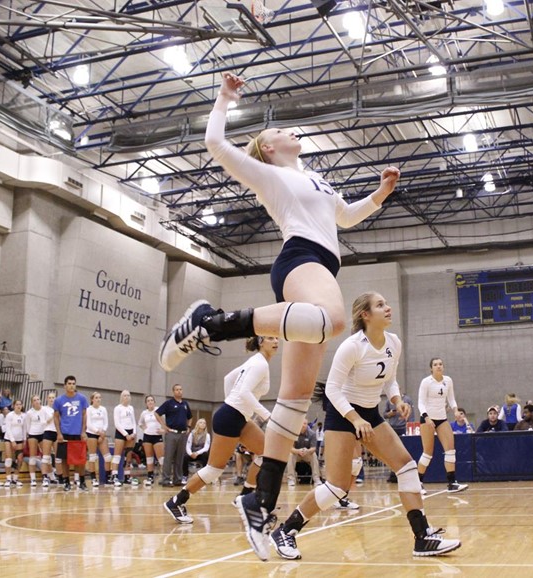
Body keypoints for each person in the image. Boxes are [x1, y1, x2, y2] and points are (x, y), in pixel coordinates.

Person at [157, 71, 399, 558]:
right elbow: (214, 142)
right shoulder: (272, 174)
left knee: (292, 401)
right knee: (333, 321)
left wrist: (379, 195)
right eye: (278, 131)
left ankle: (260, 499)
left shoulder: (316, 178)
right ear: (267, 148)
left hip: (321, 261)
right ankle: (212, 322)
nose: (289, 132)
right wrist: (226, 98)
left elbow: (345, 217)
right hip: (301, 260)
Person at [269, 292, 460, 560]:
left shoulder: (394, 342)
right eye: (380, 305)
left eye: (387, 303)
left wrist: (396, 399)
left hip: (370, 412)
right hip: (342, 413)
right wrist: (355, 419)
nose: (388, 308)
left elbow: (389, 379)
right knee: (336, 487)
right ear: (365, 315)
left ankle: (422, 537)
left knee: (406, 467)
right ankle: (286, 531)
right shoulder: (352, 346)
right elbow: (333, 390)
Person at [163, 336, 279, 527]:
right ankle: (176, 502)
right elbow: (243, 393)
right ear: (260, 342)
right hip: (231, 417)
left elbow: (229, 379)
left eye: (276, 338)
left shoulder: (256, 361)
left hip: (237, 416)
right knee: (214, 469)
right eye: (269, 338)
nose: (275, 341)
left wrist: (232, 405)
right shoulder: (260, 364)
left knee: (266, 453)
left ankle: (245, 496)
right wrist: (266, 416)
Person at [417, 357, 467, 494]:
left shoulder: (448, 380)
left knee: (450, 450)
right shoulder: (426, 382)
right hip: (427, 419)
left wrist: (456, 410)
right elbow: (420, 403)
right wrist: (426, 417)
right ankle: (418, 482)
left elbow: (451, 398)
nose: (438, 366)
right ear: (431, 368)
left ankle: (452, 483)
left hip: (442, 419)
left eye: (440, 364)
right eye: (435, 364)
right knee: (428, 453)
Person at [53, 376, 89, 491]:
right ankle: (66, 482)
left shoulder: (82, 399)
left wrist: (83, 431)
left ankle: (82, 482)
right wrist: (59, 433)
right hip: (65, 433)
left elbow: (84, 415)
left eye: (73, 383)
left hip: (77, 433)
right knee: (64, 459)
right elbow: (56, 417)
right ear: (64, 385)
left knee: (80, 459)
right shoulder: (59, 400)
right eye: (69, 383)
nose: (71, 385)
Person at [156, 384, 192, 486]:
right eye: (177, 390)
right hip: (171, 433)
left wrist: (188, 427)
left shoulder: (185, 404)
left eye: (181, 389)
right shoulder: (169, 403)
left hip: (182, 434)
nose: (179, 391)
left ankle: (178, 480)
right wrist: (164, 426)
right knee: (168, 457)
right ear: (173, 392)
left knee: (180, 458)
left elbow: (190, 417)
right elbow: (157, 413)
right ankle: (166, 480)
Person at [138, 395, 167, 487]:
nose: (150, 402)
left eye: (151, 400)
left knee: (161, 458)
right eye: (148, 401)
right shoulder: (144, 413)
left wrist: (163, 430)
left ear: (154, 402)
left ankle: (164, 476)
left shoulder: (159, 411)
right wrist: (145, 429)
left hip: (157, 436)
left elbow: (166, 423)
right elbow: (140, 423)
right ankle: (150, 476)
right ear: (146, 403)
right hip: (147, 437)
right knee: (149, 458)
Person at [25, 394, 53, 486]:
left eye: (38, 399)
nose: (37, 401)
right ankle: (33, 479)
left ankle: (50, 476)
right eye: (34, 400)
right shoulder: (29, 413)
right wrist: (29, 434)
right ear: (32, 403)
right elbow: (27, 426)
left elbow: (48, 420)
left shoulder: (44, 410)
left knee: (46, 456)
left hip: (43, 434)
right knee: (33, 457)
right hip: (33, 434)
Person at [286, 419, 321, 487]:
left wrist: (307, 451)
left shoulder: (312, 434)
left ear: (307, 425)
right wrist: (298, 451)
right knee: (290, 455)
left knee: (314, 455)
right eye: (301, 423)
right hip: (297, 454)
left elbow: (313, 448)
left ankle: (316, 479)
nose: (303, 425)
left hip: (307, 454)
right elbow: (290, 448)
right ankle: (291, 479)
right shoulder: (293, 433)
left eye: (305, 423)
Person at [86, 392, 111, 486]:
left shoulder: (103, 409)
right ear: (92, 399)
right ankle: (93, 478)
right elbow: (88, 424)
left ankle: (107, 478)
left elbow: (106, 422)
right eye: (96, 397)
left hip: (102, 434)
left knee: (107, 456)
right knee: (92, 457)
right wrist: (98, 432)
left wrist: (103, 432)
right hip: (92, 434)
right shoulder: (89, 409)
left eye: (100, 397)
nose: (98, 399)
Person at [111, 391, 136, 487]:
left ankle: (127, 476)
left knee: (128, 456)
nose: (126, 397)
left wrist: (133, 432)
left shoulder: (131, 408)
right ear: (121, 397)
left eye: (128, 395)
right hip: (121, 433)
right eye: (125, 395)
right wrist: (126, 434)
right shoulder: (118, 408)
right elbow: (117, 423)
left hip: (131, 433)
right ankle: (114, 476)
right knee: (117, 455)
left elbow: (133, 421)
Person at [2, 400, 26, 486]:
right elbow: (8, 428)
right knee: (8, 459)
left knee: (19, 459)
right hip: (9, 439)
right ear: (13, 406)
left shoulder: (24, 416)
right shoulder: (10, 415)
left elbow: (24, 429)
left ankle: (15, 478)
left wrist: (24, 440)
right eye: (17, 404)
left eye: (20, 404)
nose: (18, 406)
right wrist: (12, 441)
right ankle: (8, 479)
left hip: (20, 440)